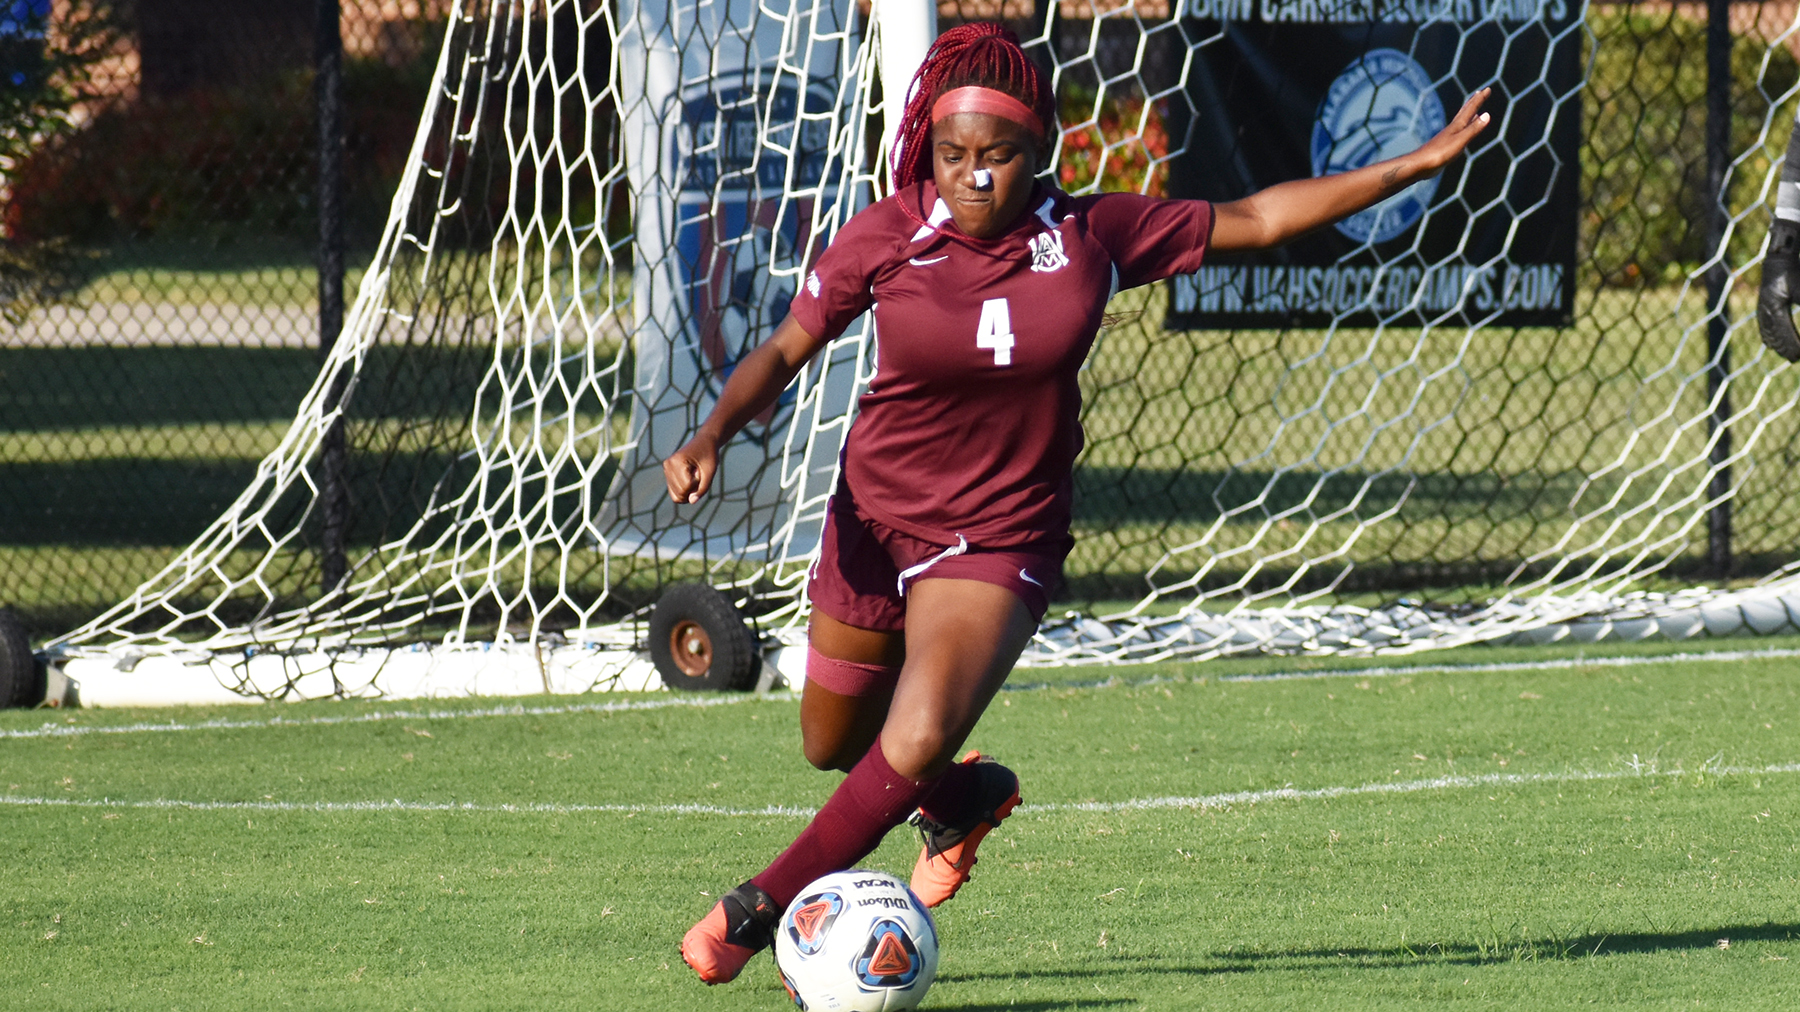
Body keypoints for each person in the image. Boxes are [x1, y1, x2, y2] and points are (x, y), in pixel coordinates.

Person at [664, 22, 1492, 986]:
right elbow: (783, 349)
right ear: (927, 150)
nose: (975, 176)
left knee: (917, 735)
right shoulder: (886, 237)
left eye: (1000, 154)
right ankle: (964, 798)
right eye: (953, 154)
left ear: (1041, 150)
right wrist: (713, 431)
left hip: (1001, 535)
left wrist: (1417, 162)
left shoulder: (1092, 233)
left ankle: (756, 912)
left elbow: (1259, 218)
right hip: (874, 522)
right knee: (832, 748)